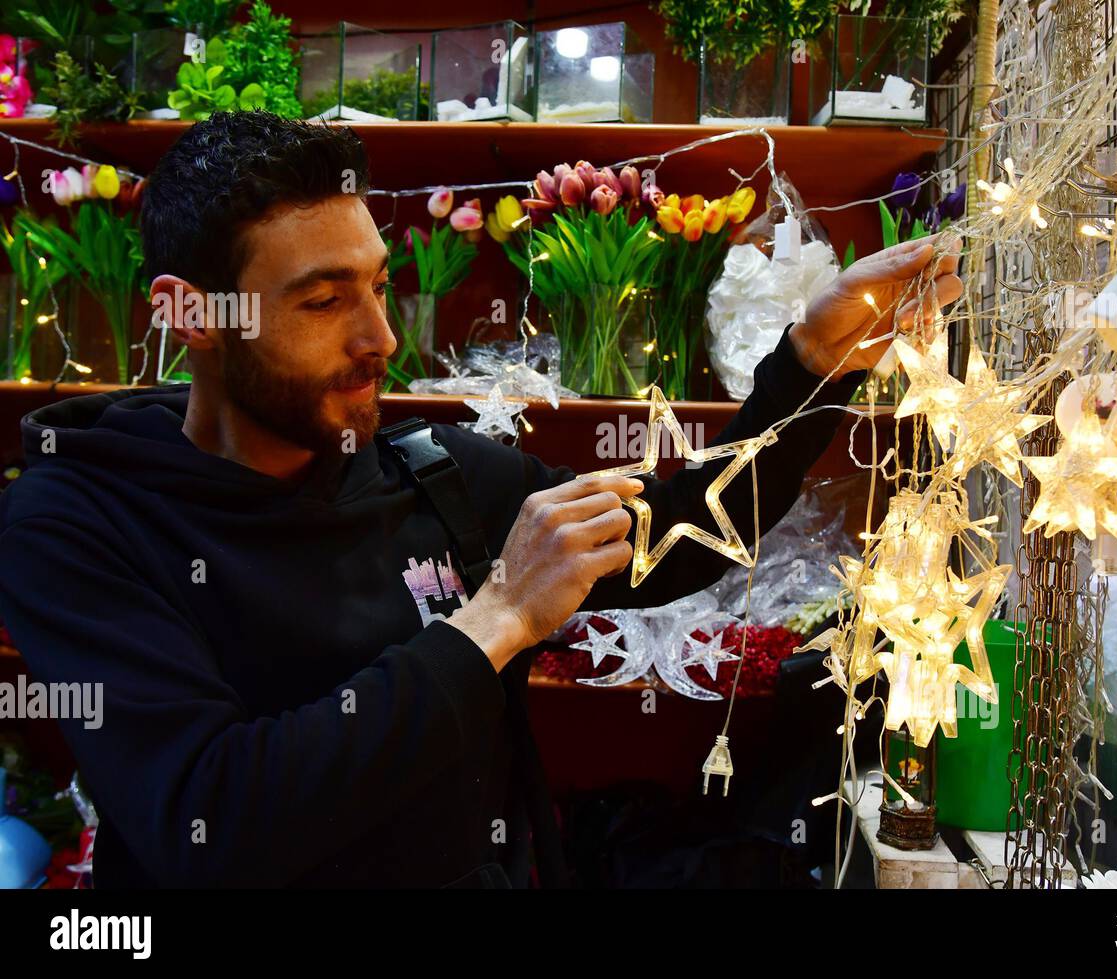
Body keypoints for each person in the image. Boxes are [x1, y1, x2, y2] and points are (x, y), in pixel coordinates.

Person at [0, 112, 961, 888]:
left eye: (379, 287)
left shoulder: (434, 473)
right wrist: (494, 619)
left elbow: (683, 535)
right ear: (191, 312)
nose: (380, 336)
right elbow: (210, 815)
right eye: (324, 300)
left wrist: (811, 367)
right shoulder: (76, 523)